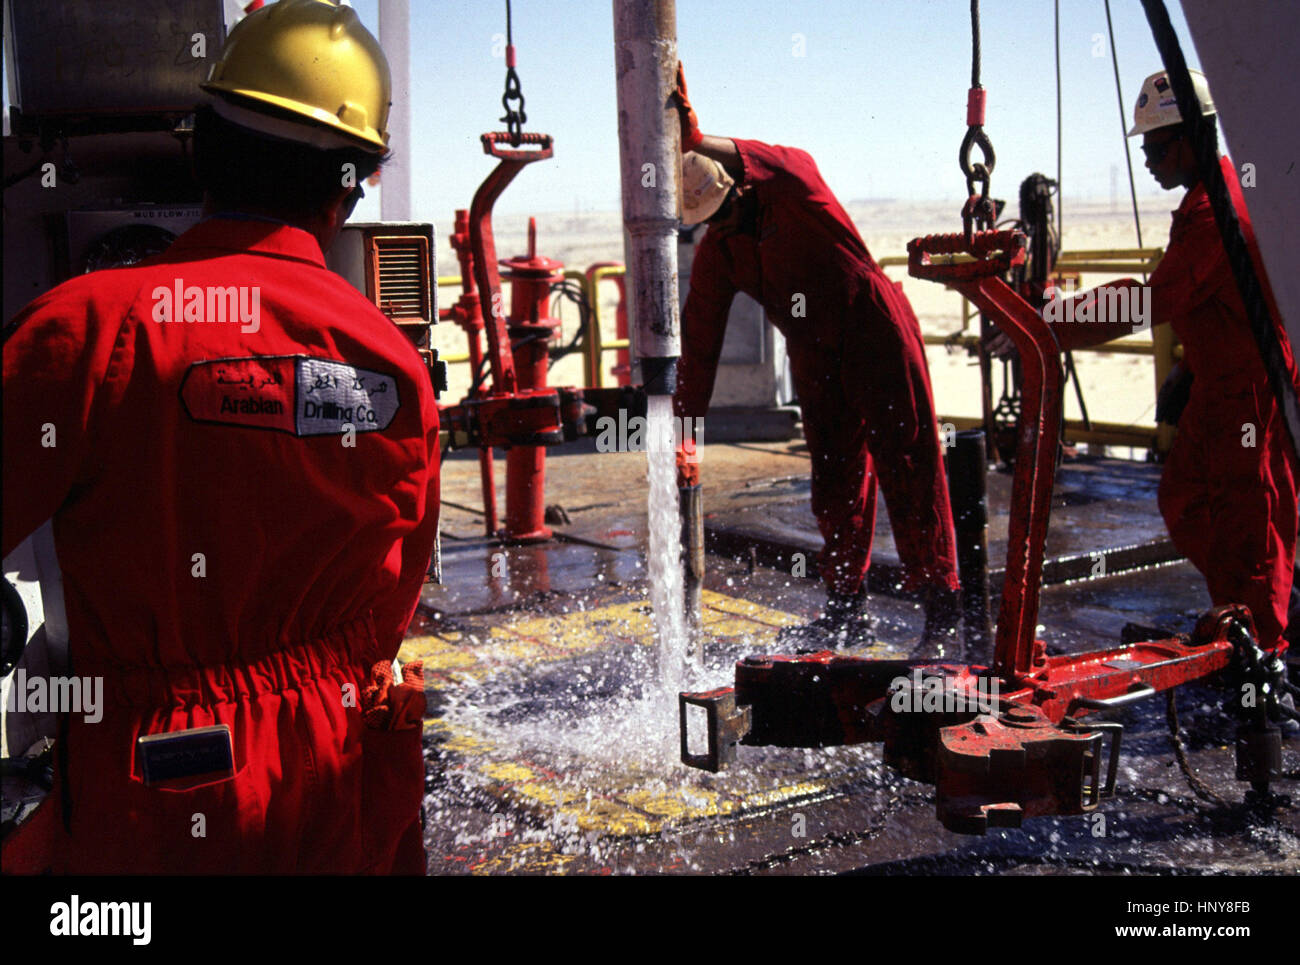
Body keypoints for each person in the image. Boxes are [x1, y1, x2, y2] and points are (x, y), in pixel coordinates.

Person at [1, 0, 439, 873]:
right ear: (348, 184)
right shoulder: (393, 363)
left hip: (162, 777)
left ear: (200, 145)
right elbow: (393, 596)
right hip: (343, 768)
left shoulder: (86, 330)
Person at [990, 68, 1297, 658]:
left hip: (1251, 394)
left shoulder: (1219, 212)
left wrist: (1050, 324)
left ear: (1192, 140)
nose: (1149, 161)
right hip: (1218, 383)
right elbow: (1212, 299)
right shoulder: (1207, 198)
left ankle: (1264, 659)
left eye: (1156, 147)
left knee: (1250, 524)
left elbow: (1150, 301)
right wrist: (1187, 367)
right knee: (1185, 499)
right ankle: (1244, 615)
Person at [671, 64, 961, 653]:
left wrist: (697, 139)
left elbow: (786, 156)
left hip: (872, 326)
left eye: (725, 214)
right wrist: (684, 433)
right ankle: (846, 609)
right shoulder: (719, 248)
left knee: (909, 466)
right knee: (834, 477)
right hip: (812, 348)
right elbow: (699, 347)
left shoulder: (791, 186)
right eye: (710, 225)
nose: (722, 228)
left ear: (738, 186)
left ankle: (942, 610)